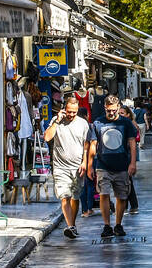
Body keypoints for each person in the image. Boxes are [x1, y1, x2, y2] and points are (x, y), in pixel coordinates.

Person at [89, 95, 138, 237]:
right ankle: (106, 225)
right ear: (105, 108)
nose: (111, 113)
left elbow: (132, 143)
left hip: (122, 165)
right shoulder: (98, 122)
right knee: (104, 194)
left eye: (113, 110)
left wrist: (132, 163)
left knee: (122, 197)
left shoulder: (126, 123)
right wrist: (90, 165)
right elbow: (93, 145)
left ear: (118, 108)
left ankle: (118, 224)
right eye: (108, 110)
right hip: (103, 165)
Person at [44, 96, 91, 238]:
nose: (71, 115)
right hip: (60, 167)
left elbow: (86, 144)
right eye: (69, 112)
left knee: (75, 197)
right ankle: (70, 226)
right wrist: (57, 121)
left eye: (74, 112)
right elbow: (47, 137)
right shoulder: (56, 121)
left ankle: (72, 224)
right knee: (65, 196)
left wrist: (85, 162)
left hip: (77, 167)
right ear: (64, 109)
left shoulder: (83, 124)